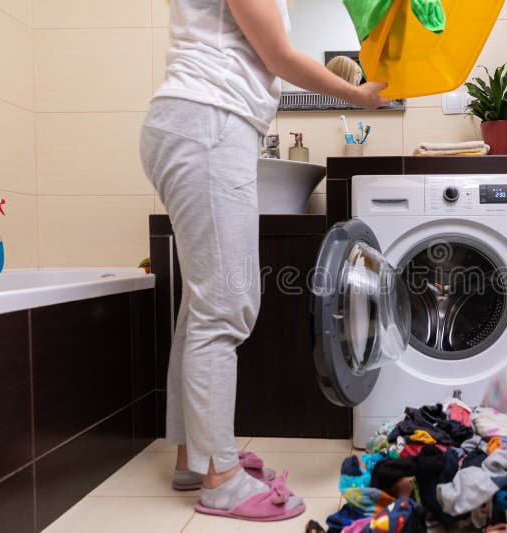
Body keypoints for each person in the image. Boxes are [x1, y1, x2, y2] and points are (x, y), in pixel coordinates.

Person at [139, 0, 389, 523]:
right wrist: (357, 94)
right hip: (209, 120)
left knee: (204, 304)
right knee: (227, 304)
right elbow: (276, 54)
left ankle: (197, 459)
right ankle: (222, 479)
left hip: (195, 120)